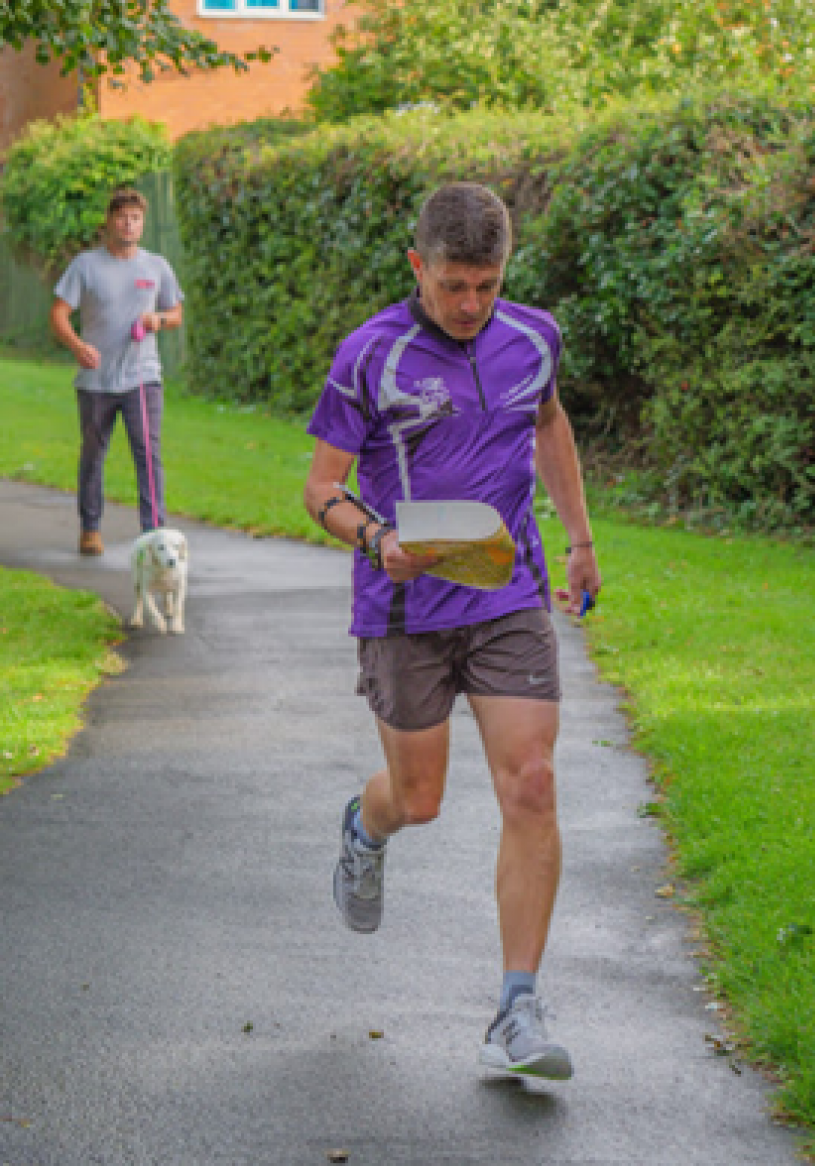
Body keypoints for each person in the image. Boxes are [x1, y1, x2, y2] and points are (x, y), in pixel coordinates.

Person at [303, 181, 601, 1081]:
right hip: (405, 607)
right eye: (452, 286)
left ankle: (517, 1007)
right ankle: (367, 825)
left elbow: (548, 423)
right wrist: (377, 537)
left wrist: (580, 537)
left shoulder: (533, 337)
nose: (471, 306)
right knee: (419, 797)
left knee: (533, 783)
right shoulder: (371, 355)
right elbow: (322, 489)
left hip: (507, 592)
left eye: (487, 285)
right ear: (416, 266)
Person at [50, 186, 184, 556]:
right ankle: (90, 529)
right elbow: (59, 314)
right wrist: (77, 346)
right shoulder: (86, 266)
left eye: (136, 218)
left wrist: (158, 319)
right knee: (94, 453)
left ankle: (153, 532)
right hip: (95, 382)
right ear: (109, 222)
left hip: (143, 379)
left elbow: (176, 314)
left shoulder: (156, 266)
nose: (129, 224)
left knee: (147, 452)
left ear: (142, 224)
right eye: (122, 217)